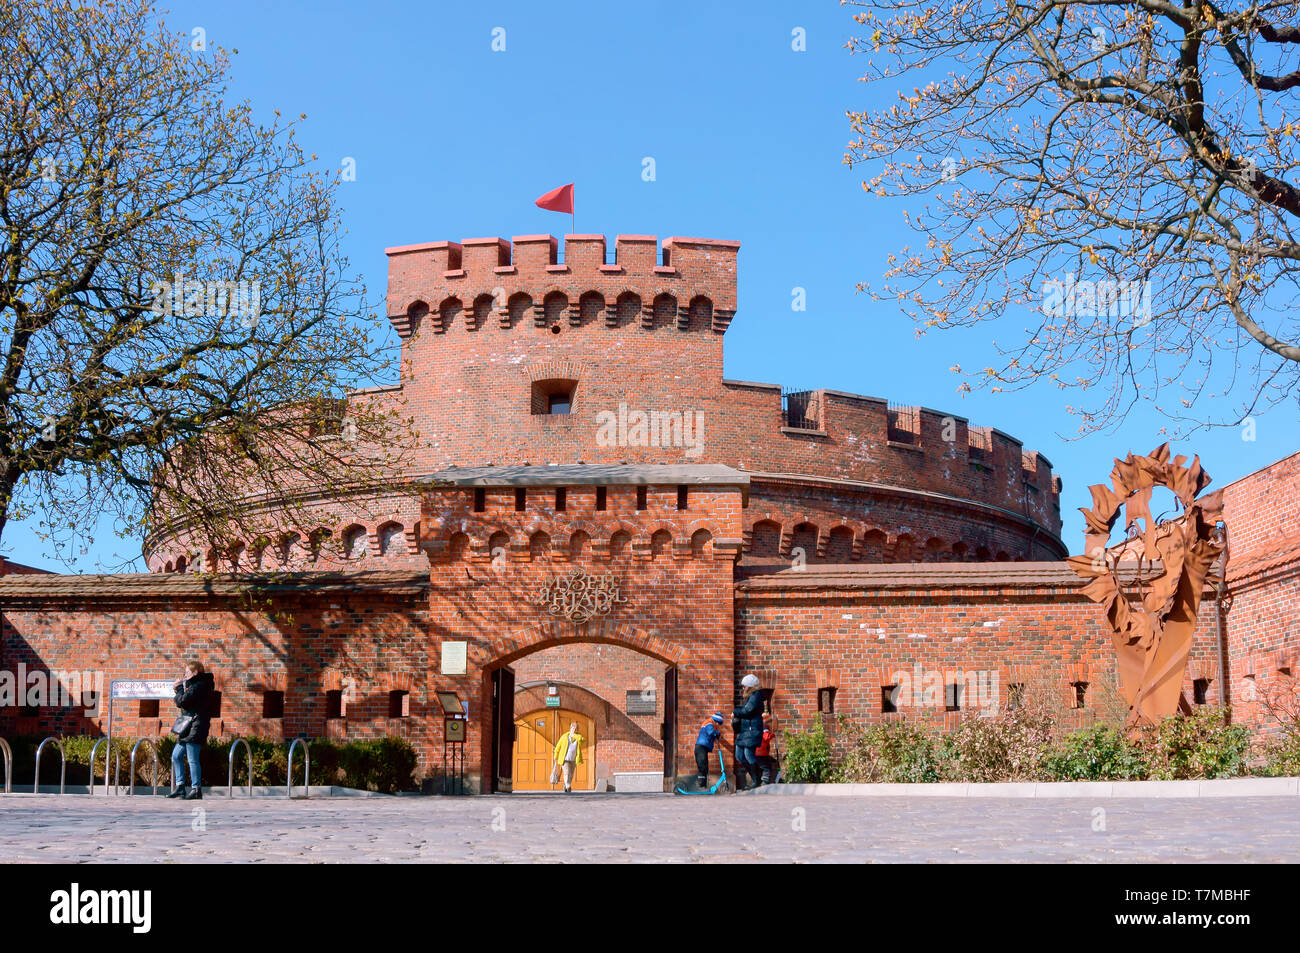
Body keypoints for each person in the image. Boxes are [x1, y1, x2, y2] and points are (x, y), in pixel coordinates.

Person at [168, 661, 214, 800]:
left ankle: (196, 789)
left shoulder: (200, 686)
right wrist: (181, 690)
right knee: (176, 755)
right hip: (188, 726)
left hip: (196, 726)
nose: (185, 675)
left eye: (187, 672)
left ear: (195, 673)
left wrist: (179, 689)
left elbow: (183, 702)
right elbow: (184, 702)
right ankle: (181, 786)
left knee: (192, 759)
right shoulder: (193, 685)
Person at [732, 673, 766, 790]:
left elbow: (748, 710)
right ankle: (755, 776)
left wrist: (735, 712)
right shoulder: (751, 696)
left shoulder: (755, 696)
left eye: (744, 686)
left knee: (748, 754)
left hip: (752, 730)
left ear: (751, 686)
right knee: (739, 755)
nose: (743, 688)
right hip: (746, 731)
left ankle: (756, 779)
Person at [694, 712, 726, 789]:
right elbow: (710, 732)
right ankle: (701, 785)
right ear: (716, 721)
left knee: (705, 767)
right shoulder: (709, 723)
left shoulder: (711, 724)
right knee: (702, 766)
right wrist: (717, 733)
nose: (718, 726)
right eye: (719, 723)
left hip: (703, 747)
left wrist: (716, 735)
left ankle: (703, 785)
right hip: (700, 747)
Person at [551, 721, 584, 794]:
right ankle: (568, 786)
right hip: (564, 759)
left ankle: (565, 785)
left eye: (575, 729)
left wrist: (575, 735)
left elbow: (582, 740)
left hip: (573, 759)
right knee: (566, 773)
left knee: (571, 774)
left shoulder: (578, 737)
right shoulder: (564, 737)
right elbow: (558, 747)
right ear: (570, 728)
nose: (574, 730)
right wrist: (555, 756)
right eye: (573, 728)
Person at [756, 717, 777, 785]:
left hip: (756, 752)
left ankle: (758, 780)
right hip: (761, 752)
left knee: (759, 767)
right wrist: (772, 734)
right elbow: (766, 737)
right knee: (766, 767)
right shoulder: (764, 728)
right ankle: (765, 780)